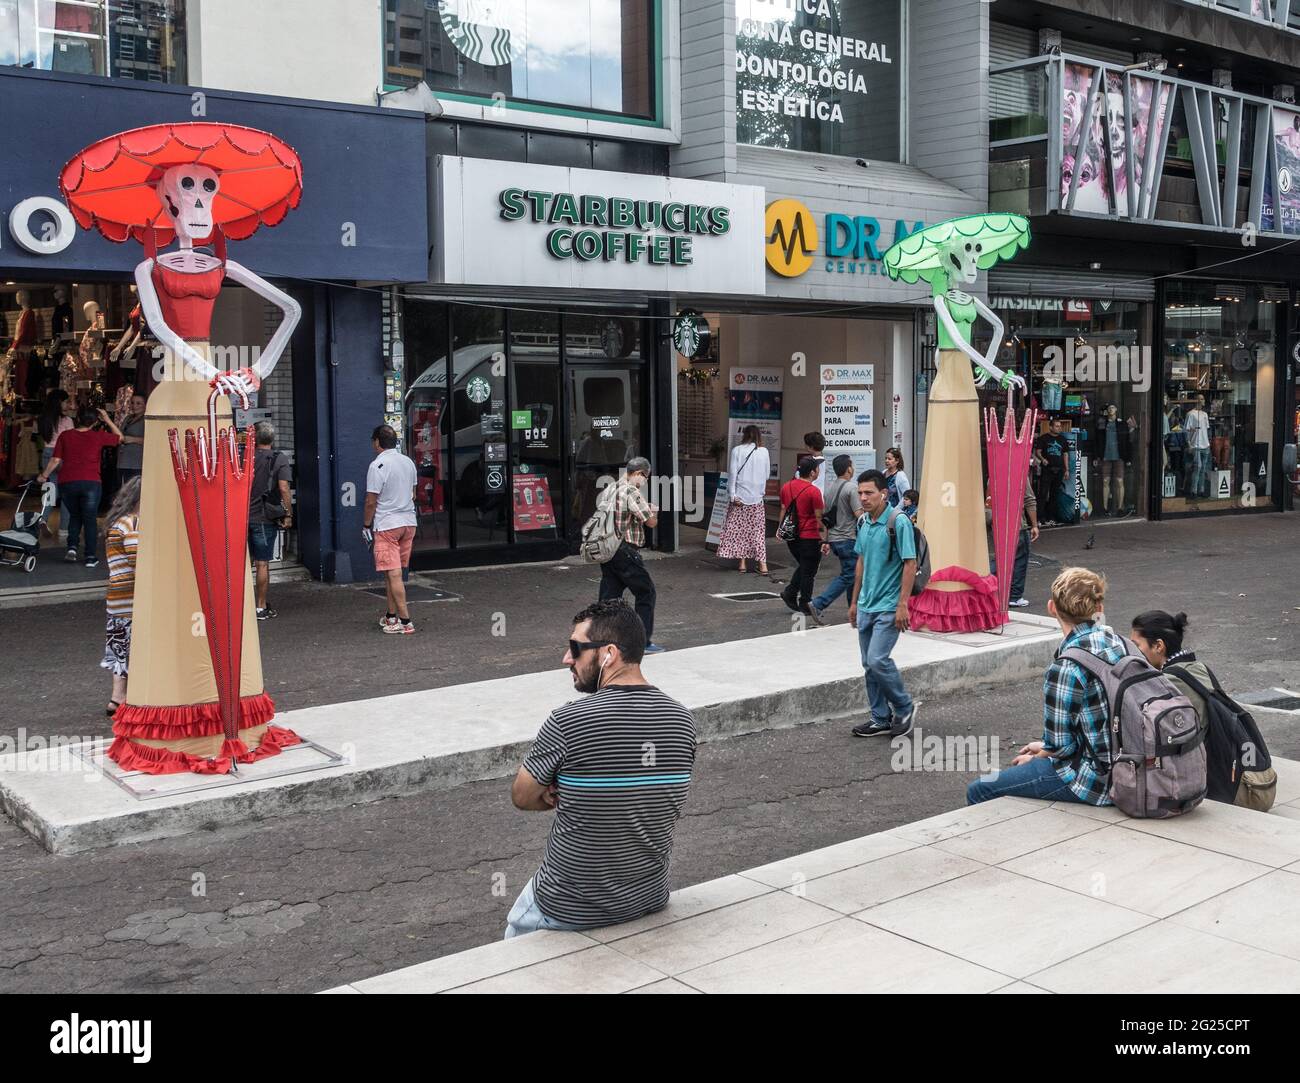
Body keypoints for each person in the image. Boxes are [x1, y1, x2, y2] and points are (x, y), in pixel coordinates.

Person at [506, 599, 696, 938]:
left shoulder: (568, 721)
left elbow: (522, 796)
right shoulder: (683, 720)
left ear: (608, 653)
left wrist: (561, 793)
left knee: (514, 939)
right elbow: (646, 792)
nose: (567, 658)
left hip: (569, 908)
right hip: (648, 897)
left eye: (575, 648)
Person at [967, 567, 1125, 805]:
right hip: (1125, 762)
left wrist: (1039, 756)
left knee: (980, 789)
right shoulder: (1117, 643)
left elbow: (1060, 747)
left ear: (1052, 608)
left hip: (1094, 779)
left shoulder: (1067, 666)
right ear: (1099, 609)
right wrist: (1044, 747)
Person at [848, 470, 918, 738]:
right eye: (860, 493)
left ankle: (903, 706)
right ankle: (880, 717)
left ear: (884, 494)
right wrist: (854, 602)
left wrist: (903, 604)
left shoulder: (898, 521)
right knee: (868, 663)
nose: (863, 498)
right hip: (866, 604)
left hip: (889, 606)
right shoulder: (864, 522)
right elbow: (861, 563)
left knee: (878, 660)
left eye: (869, 493)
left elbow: (910, 563)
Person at [36, 406, 122, 567]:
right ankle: (90, 557)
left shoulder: (66, 436)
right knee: (89, 519)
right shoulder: (98, 436)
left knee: (75, 515)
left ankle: (72, 548)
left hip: (68, 482)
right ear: (95, 422)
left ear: (77, 419)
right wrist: (107, 419)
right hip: (91, 483)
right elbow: (120, 437)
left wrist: (44, 475)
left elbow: (55, 460)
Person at [598, 456, 664, 654]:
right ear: (638, 473)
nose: (644, 481)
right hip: (625, 551)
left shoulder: (609, 489)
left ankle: (603, 639)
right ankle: (642, 642)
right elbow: (650, 522)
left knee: (610, 598)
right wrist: (654, 511)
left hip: (607, 549)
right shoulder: (631, 491)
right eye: (645, 477)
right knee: (646, 592)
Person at [364, 424, 418, 635]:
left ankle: (405, 621)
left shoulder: (378, 465)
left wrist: (366, 524)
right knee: (392, 572)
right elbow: (413, 494)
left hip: (387, 524)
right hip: (408, 523)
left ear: (377, 441)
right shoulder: (408, 462)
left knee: (393, 574)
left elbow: (371, 501)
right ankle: (390, 616)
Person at [101, 477, 141, 717]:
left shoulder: (118, 521)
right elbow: (138, 561)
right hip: (132, 595)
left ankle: (116, 698)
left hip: (116, 594)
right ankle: (129, 698)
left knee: (119, 646)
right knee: (133, 646)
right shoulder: (134, 524)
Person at [247, 421, 293, 621]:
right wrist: (288, 513)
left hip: (242, 517)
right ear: (272, 439)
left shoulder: (244, 457)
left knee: (242, 564)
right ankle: (260, 606)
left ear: (254, 438)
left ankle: (242, 605)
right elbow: (283, 488)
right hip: (265, 518)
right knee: (262, 564)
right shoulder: (279, 458)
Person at [810, 454, 863, 622]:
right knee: (849, 575)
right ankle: (819, 603)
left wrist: (825, 540)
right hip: (848, 538)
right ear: (849, 468)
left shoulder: (830, 488)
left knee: (852, 573)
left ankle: (853, 611)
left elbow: (826, 518)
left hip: (834, 538)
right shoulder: (851, 488)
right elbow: (859, 515)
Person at [778, 456, 828, 620]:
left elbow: (784, 509)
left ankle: (791, 592)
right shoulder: (814, 491)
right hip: (809, 535)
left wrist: (781, 528)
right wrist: (825, 537)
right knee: (809, 571)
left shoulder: (786, 486)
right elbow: (819, 517)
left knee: (805, 566)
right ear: (813, 472)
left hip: (792, 535)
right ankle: (804, 602)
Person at [717, 424, 770, 574]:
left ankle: (742, 564)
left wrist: (732, 495)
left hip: (740, 497)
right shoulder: (764, 452)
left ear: (744, 435)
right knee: (758, 532)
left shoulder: (737, 451)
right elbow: (767, 475)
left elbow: (732, 474)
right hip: (757, 498)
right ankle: (763, 565)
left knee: (740, 531)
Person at [36, 390, 74, 539]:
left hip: (47, 454)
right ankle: (64, 529)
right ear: (59, 402)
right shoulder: (67, 421)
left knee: (50, 490)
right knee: (66, 493)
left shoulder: (42, 419)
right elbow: (71, 441)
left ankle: (43, 518)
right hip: (62, 456)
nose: (67, 404)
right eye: (65, 401)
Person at [1009, 481, 1039, 608]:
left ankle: (997, 589)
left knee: (1004, 559)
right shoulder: (1019, 472)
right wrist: (1035, 525)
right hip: (1017, 524)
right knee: (1020, 558)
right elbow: (1029, 500)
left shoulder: (993, 473)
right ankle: (1015, 596)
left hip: (999, 523)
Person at [115, 392, 147, 491]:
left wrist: (133, 439)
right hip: (123, 461)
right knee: (123, 492)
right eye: (132, 403)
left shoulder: (147, 419)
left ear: (145, 405)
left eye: (138, 403)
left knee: (133, 492)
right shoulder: (128, 418)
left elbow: (152, 440)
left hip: (136, 463)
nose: (134, 406)